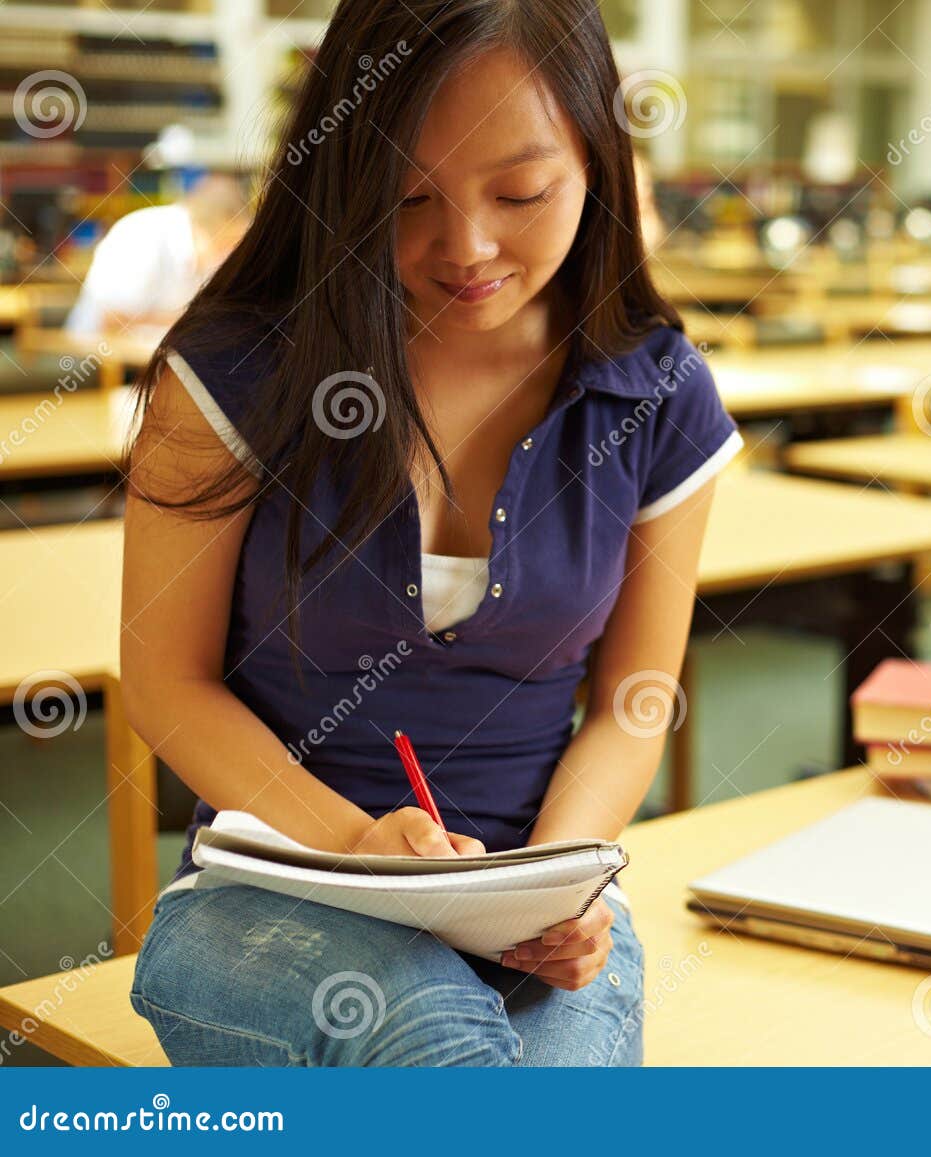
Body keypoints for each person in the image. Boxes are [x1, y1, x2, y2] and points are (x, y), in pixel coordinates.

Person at [121, 0, 741, 1067]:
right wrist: (364, 846)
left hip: (541, 908)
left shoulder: (657, 391)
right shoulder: (236, 373)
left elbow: (635, 703)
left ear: (598, 155)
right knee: (431, 1037)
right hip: (268, 893)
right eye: (407, 197)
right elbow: (166, 680)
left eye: (522, 191)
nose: (468, 247)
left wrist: (554, 882)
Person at [64, 173, 249, 338]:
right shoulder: (145, 233)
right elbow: (112, 320)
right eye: (228, 244)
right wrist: (191, 327)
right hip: (97, 357)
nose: (229, 254)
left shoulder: (202, 251)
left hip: (155, 360)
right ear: (205, 228)